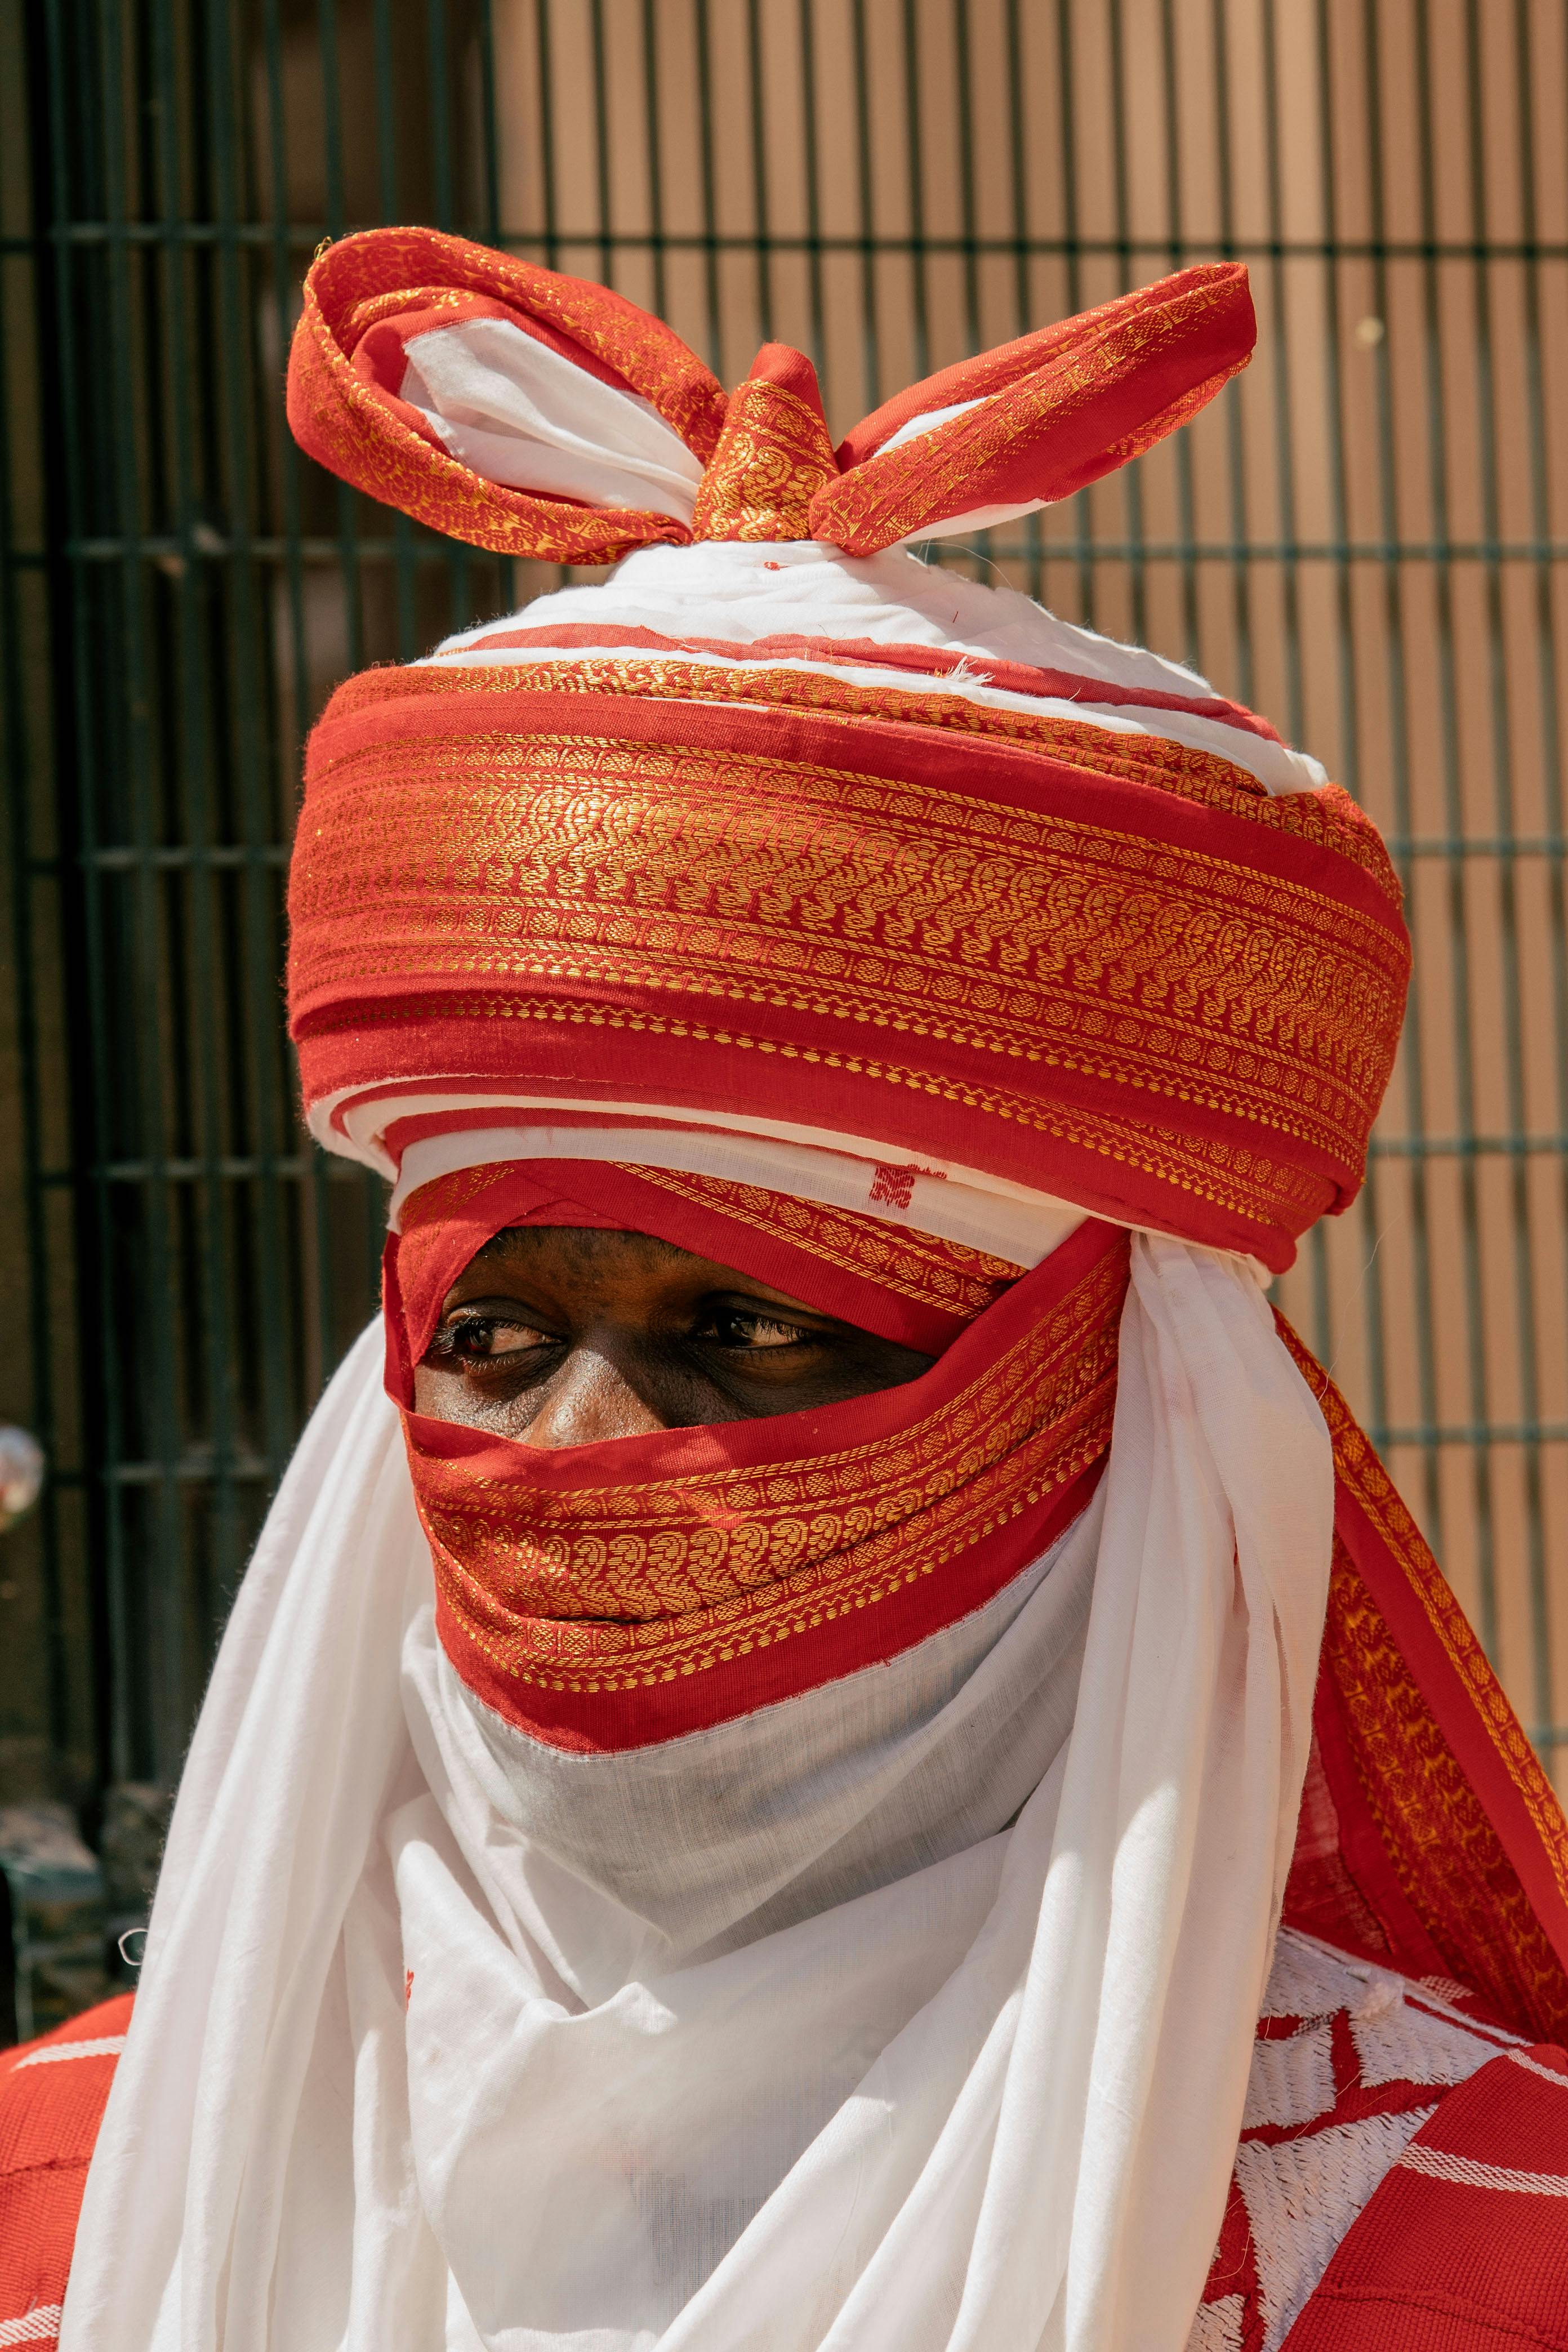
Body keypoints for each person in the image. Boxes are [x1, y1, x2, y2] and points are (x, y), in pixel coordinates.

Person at [5, 229, 1567, 2352]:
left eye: (748, 1330)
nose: (568, 1455)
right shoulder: (69, 2188)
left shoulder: (1471, 2244)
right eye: (491, 1337)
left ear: (1103, 1408)